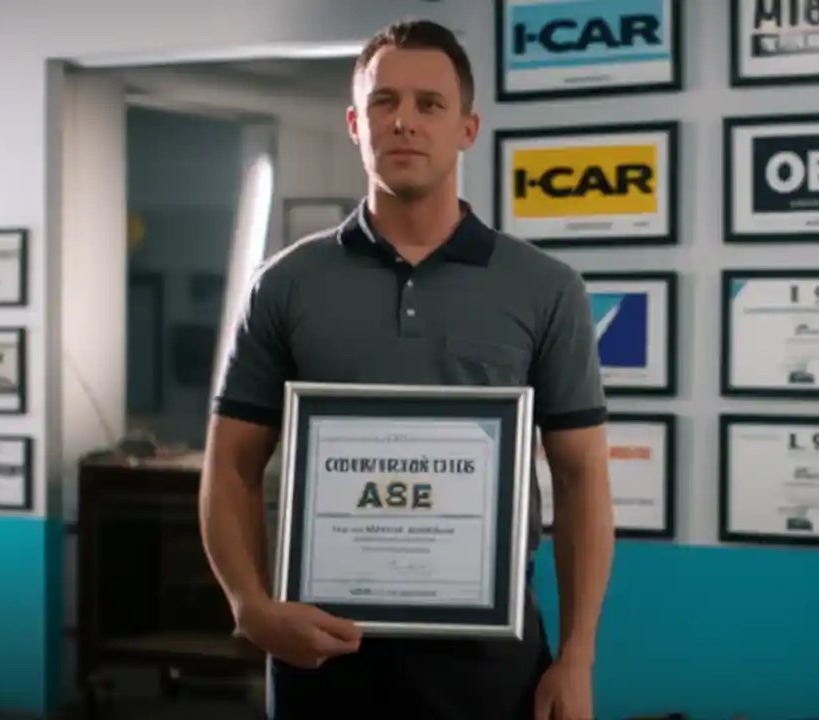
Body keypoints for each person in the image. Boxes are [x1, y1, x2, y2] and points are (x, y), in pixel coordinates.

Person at [198, 18, 616, 720]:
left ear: (467, 128)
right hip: (321, 653)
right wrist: (249, 605)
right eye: (384, 102)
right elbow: (231, 467)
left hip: (489, 661)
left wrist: (577, 657)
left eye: (430, 104)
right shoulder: (284, 285)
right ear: (355, 124)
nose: (405, 121)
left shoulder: (546, 288)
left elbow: (582, 482)